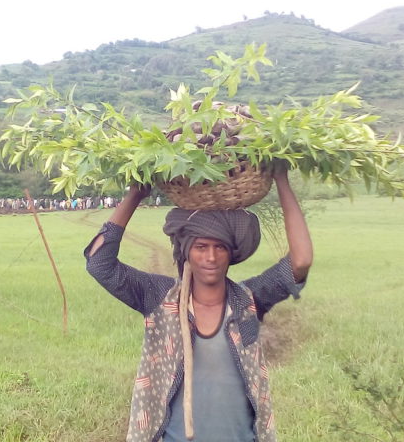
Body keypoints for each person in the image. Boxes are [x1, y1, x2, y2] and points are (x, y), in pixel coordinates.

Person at [85, 166, 313, 441]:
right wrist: (135, 194)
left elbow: (300, 261)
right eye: (201, 247)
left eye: (220, 247)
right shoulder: (160, 298)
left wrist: (281, 180)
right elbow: (99, 263)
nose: (211, 257)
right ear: (187, 252)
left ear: (231, 253)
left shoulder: (249, 300)